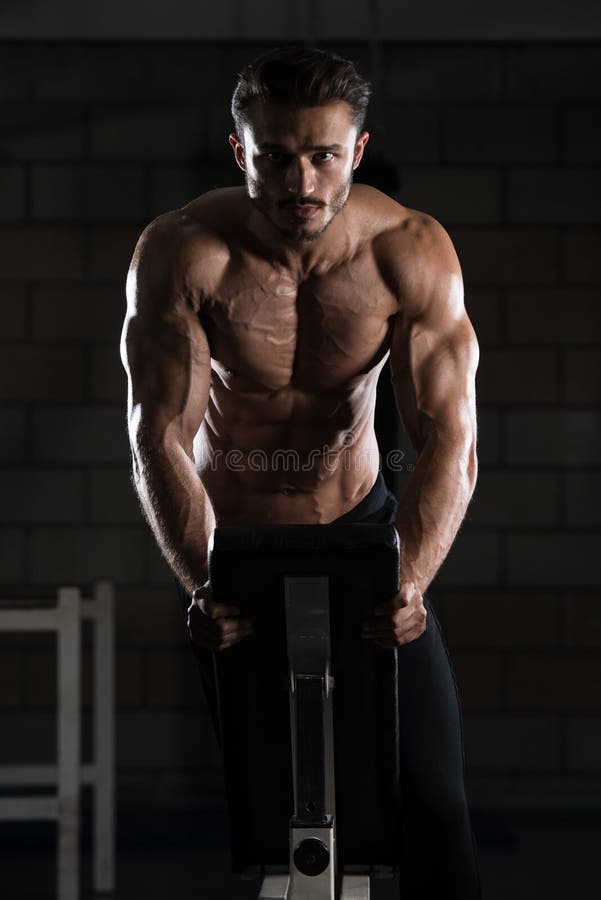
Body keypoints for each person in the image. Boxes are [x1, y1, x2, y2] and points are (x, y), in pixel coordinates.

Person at [121, 46, 482, 899]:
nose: (301, 183)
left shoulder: (409, 250)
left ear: (355, 151)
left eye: (323, 156)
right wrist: (201, 582)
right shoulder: (183, 251)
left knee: (431, 807)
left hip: (361, 534)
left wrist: (412, 581)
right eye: (276, 157)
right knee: (273, 818)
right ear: (240, 150)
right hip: (234, 552)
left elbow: (448, 441)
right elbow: (156, 433)